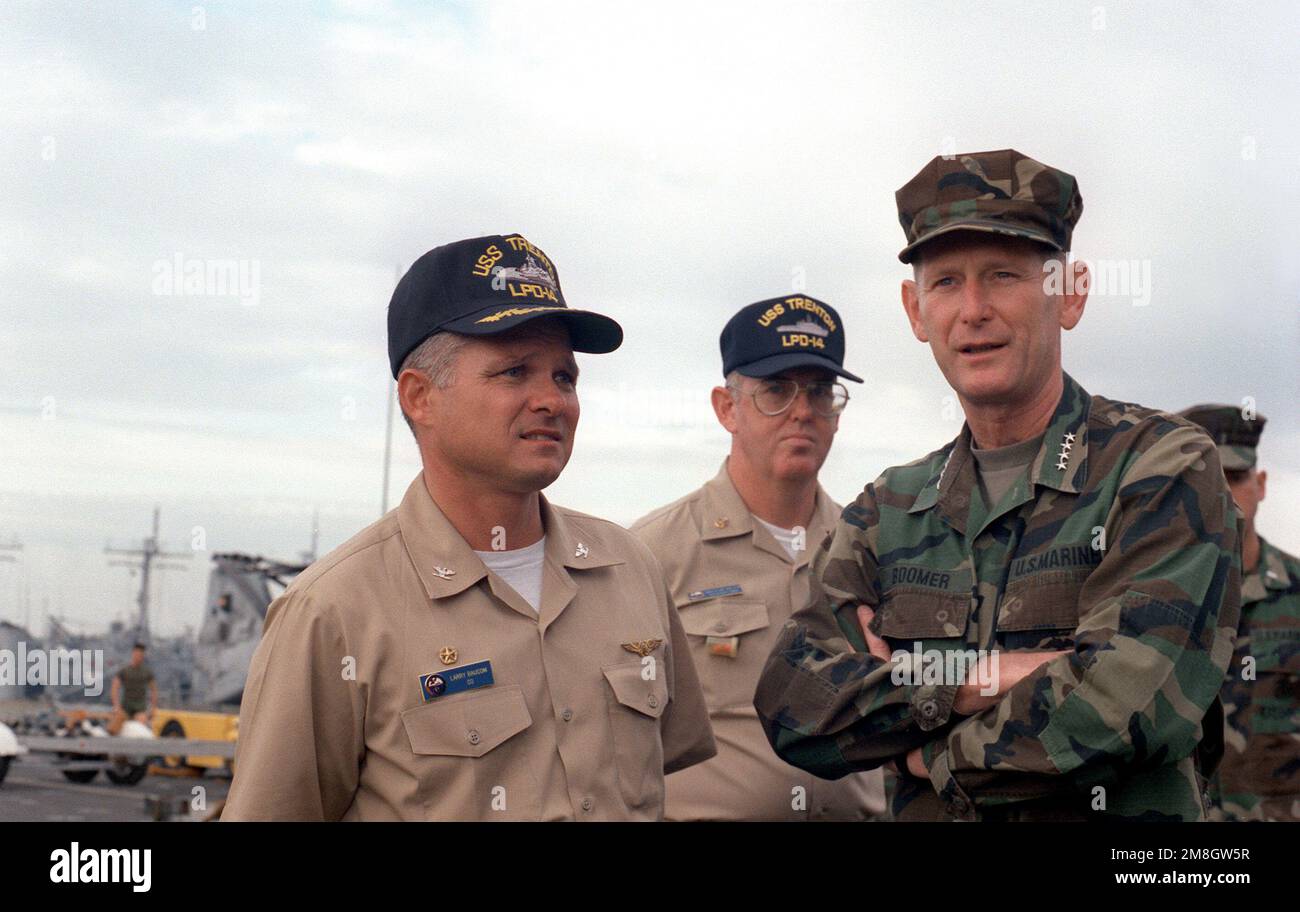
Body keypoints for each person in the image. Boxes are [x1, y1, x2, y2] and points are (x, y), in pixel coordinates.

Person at [754, 149, 1241, 821]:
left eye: (1003, 276)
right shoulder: (889, 510)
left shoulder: (1159, 468)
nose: (973, 309)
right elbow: (792, 703)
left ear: (1068, 294)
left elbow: (1126, 704)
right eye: (947, 282)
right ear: (915, 310)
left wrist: (926, 755)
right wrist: (971, 680)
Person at [222, 233, 715, 821]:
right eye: (514, 372)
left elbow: (665, 767)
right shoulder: (334, 611)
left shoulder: (629, 568)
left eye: (564, 377)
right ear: (420, 397)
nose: (552, 401)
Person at [631, 296, 885, 820]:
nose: (802, 411)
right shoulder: (652, 554)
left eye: (820, 392)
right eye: (776, 390)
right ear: (727, 408)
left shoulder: (872, 548)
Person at [1179, 404, 1300, 821]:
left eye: (1235, 478)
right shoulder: (1148, 600)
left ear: (1261, 484)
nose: (1226, 495)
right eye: (1209, 480)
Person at [111, 642, 156, 725]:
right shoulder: (125, 670)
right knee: (114, 725)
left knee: (140, 725)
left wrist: (153, 708)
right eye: (137, 654)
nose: (138, 657)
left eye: (141, 655)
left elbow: (153, 690)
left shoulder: (147, 672)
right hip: (125, 708)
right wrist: (116, 706)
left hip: (140, 709)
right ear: (133, 653)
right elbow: (114, 687)